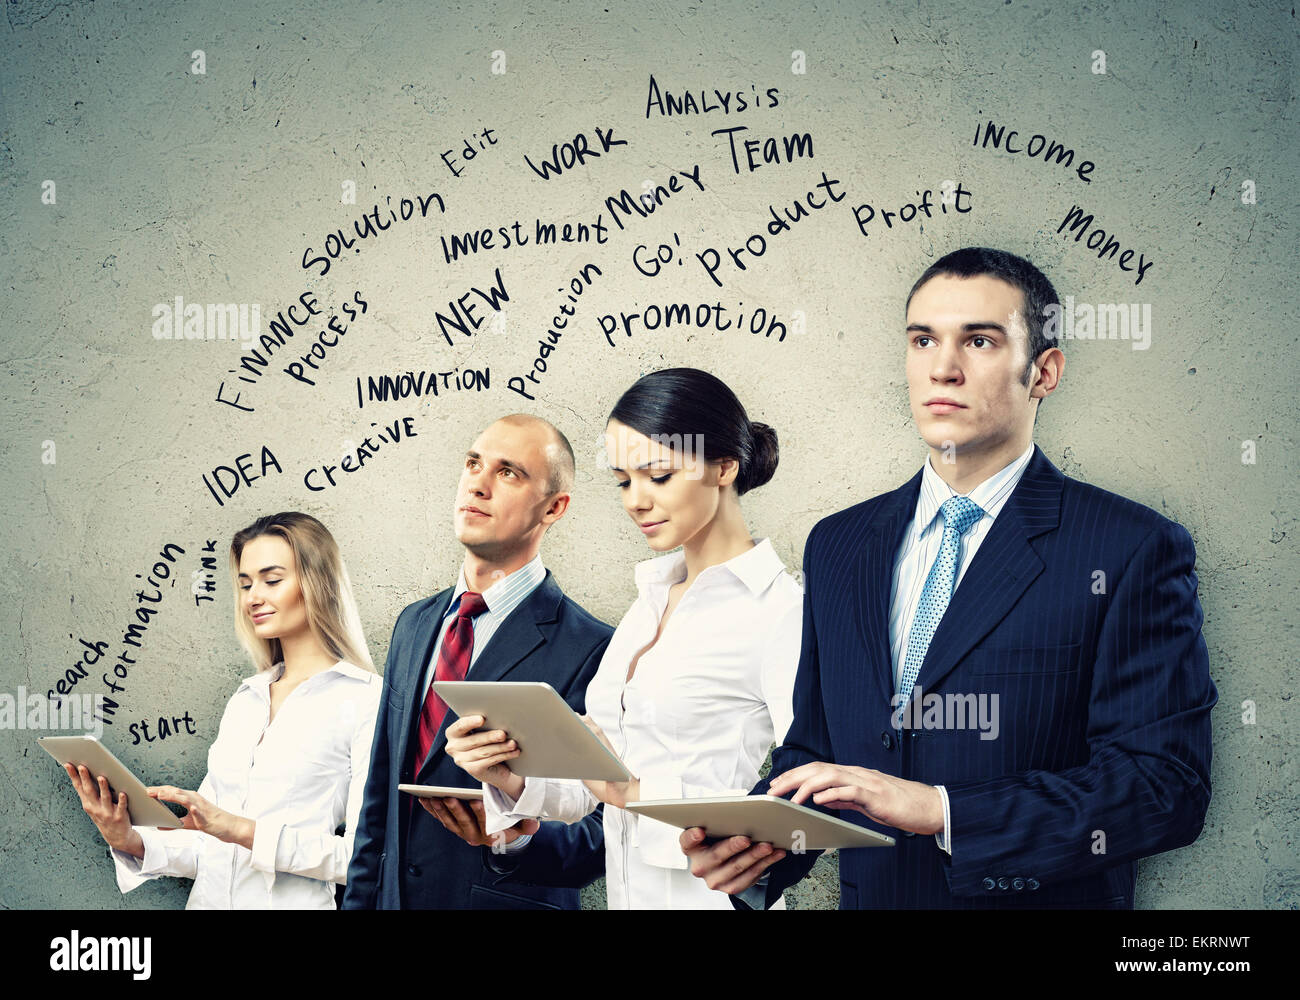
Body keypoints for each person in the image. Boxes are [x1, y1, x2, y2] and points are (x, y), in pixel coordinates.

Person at [681, 247, 1218, 909]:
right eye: (923, 340)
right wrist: (758, 844)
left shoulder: (1130, 547)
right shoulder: (838, 544)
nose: (943, 367)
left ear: (1044, 371)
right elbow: (817, 752)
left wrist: (943, 811)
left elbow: (1163, 787)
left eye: (980, 340)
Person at [449, 369, 803, 909]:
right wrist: (511, 777)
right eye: (623, 480)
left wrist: (635, 794)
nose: (635, 501)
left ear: (724, 467)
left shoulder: (780, 610)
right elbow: (597, 783)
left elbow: (807, 798)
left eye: (657, 475)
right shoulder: (648, 603)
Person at [342, 414, 611, 910]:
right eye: (473, 464)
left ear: (554, 507)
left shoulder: (595, 648)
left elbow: (603, 835)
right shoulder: (414, 624)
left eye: (508, 472)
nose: (478, 485)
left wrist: (514, 837)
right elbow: (378, 797)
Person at [64, 511, 382, 909]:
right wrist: (127, 838)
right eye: (245, 584)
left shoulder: (364, 699)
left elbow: (361, 859)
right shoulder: (246, 700)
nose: (252, 597)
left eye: (271, 580)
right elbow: (208, 847)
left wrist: (239, 829)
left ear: (317, 583)